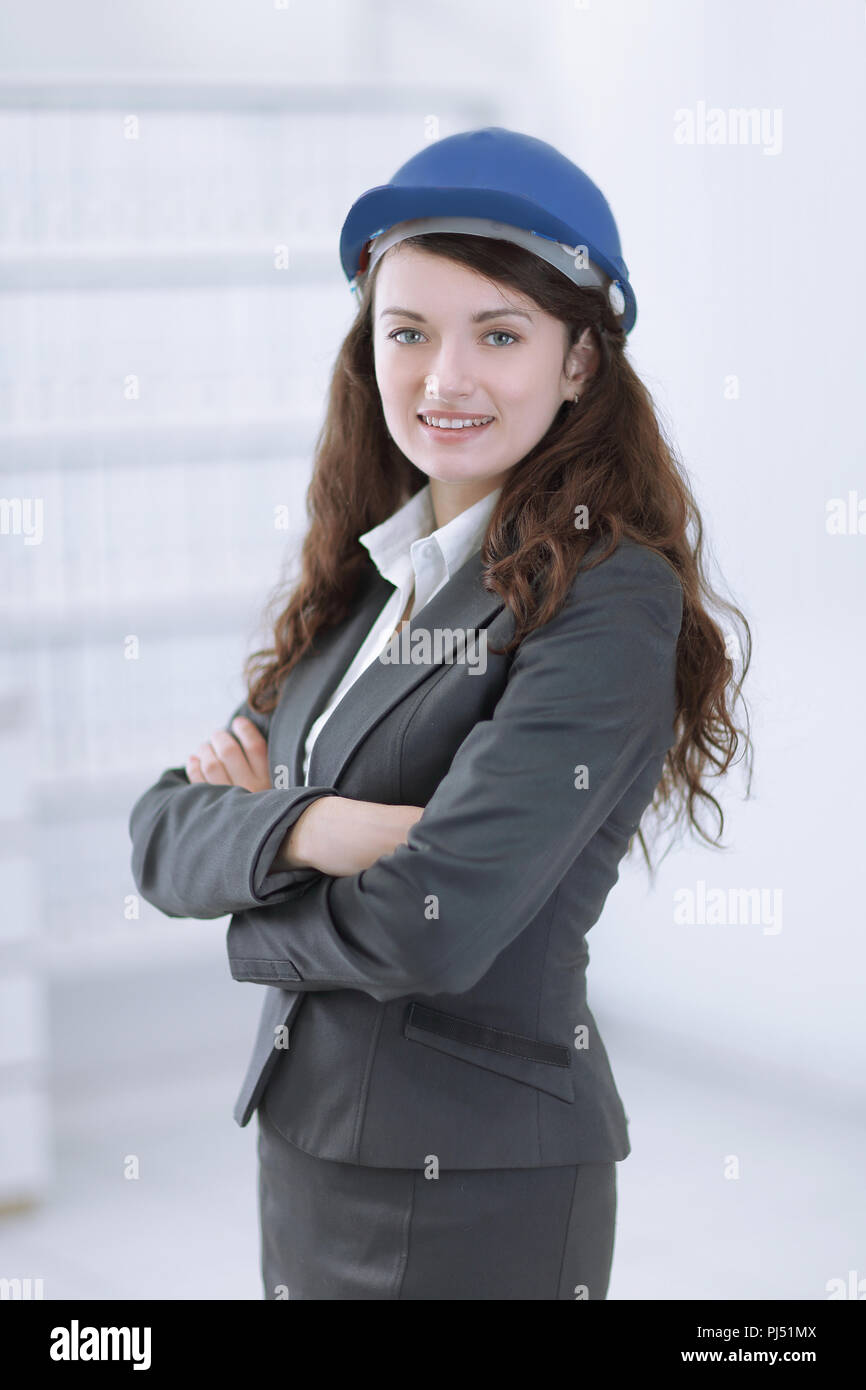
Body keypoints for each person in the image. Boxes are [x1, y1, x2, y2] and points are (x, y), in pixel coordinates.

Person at [129, 127, 752, 1300]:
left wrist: (250, 891)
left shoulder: (607, 593)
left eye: (498, 335)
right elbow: (159, 831)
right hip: (307, 1146)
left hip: (473, 1187)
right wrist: (319, 828)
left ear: (578, 360)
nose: (441, 379)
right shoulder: (375, 574)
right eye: (406, 332)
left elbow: (432, 920)